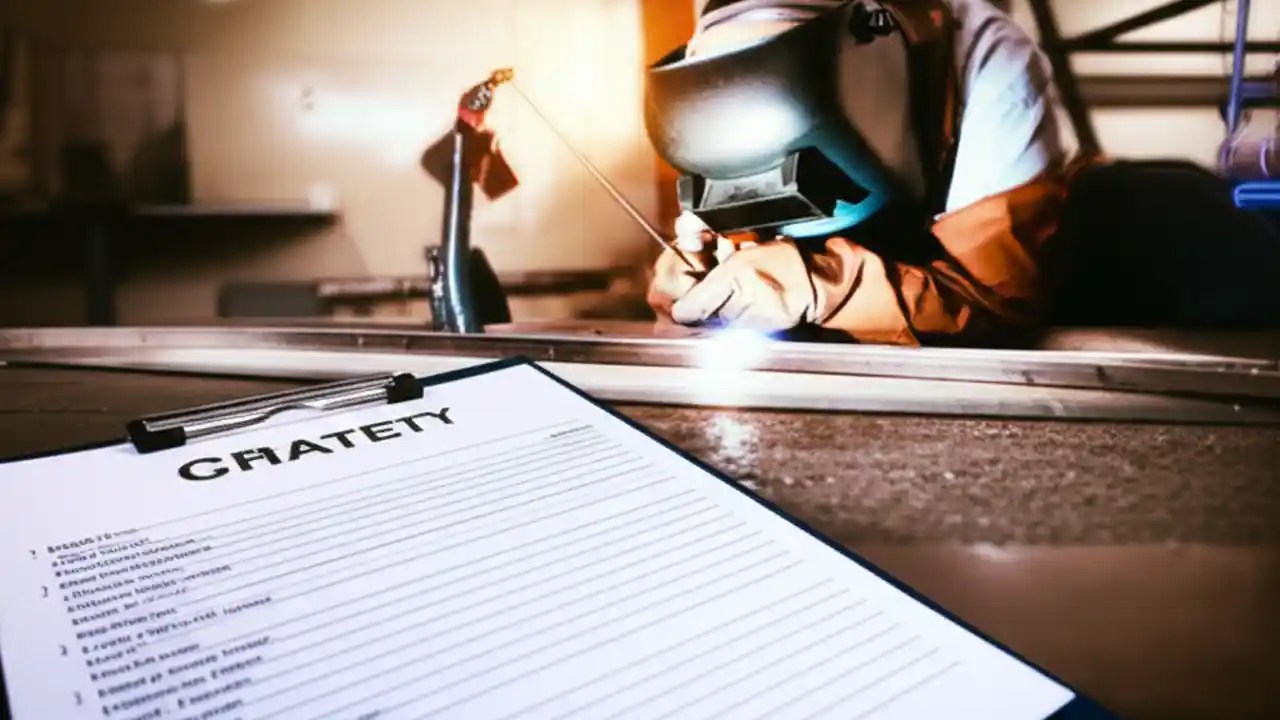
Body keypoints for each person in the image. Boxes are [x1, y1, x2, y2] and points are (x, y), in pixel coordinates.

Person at [643, 0, 1280, 345]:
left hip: (1077, 241)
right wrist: (705, 272)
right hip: (893, 243)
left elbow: (997, 301)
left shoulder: (989, 58)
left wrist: (821, 285)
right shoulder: (718, 52)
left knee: (1183, 224)